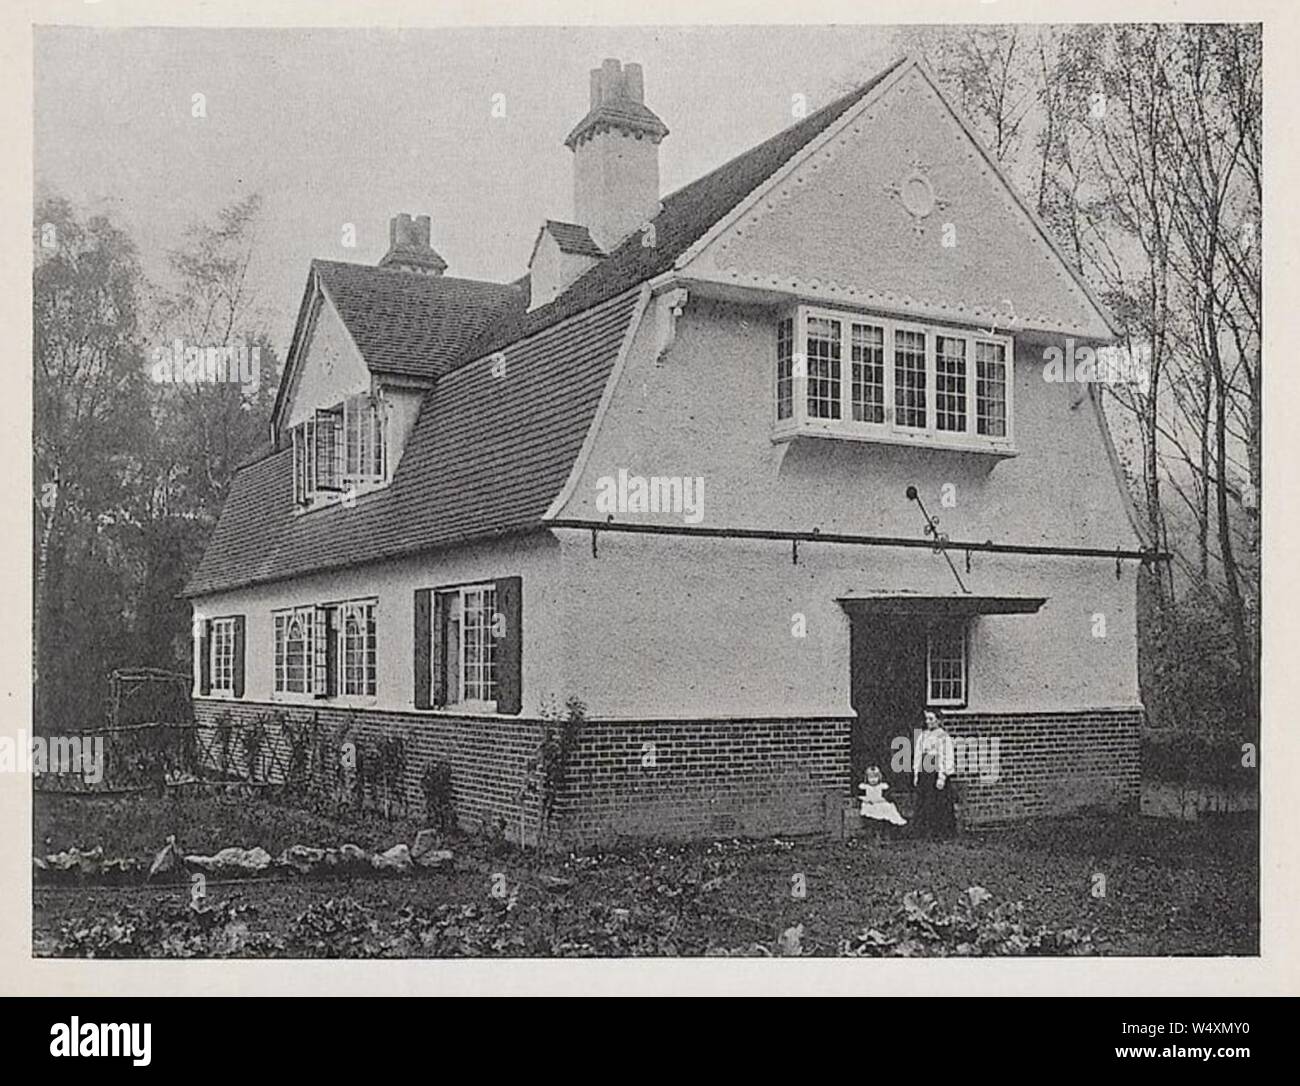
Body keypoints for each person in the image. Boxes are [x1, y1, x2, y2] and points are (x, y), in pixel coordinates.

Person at [912, 709, 957, 839]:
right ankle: (924, 832)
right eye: (927, 719)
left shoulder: (943, 736)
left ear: (938, 720)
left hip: (937, 773)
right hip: (924, 772)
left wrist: (942, 776)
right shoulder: (923, 735)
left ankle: (940, 832)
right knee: (924, 802)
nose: (928, 722)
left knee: (938, 802)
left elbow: (947, 756)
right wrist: (916, 773)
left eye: (931, 719)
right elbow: (918, 755)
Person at [859, 765, 907, 830]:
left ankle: (896, 820)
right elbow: (861, 796)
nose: (873, 780)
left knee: (889, 807)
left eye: (875, 777)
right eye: (870, 777)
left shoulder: (881, 786)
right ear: (867, 778)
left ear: (879, 777)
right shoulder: (865, 787)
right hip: (870, 804)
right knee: (869, 808)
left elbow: (884, 795)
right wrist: (865, 799)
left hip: (879, 802)